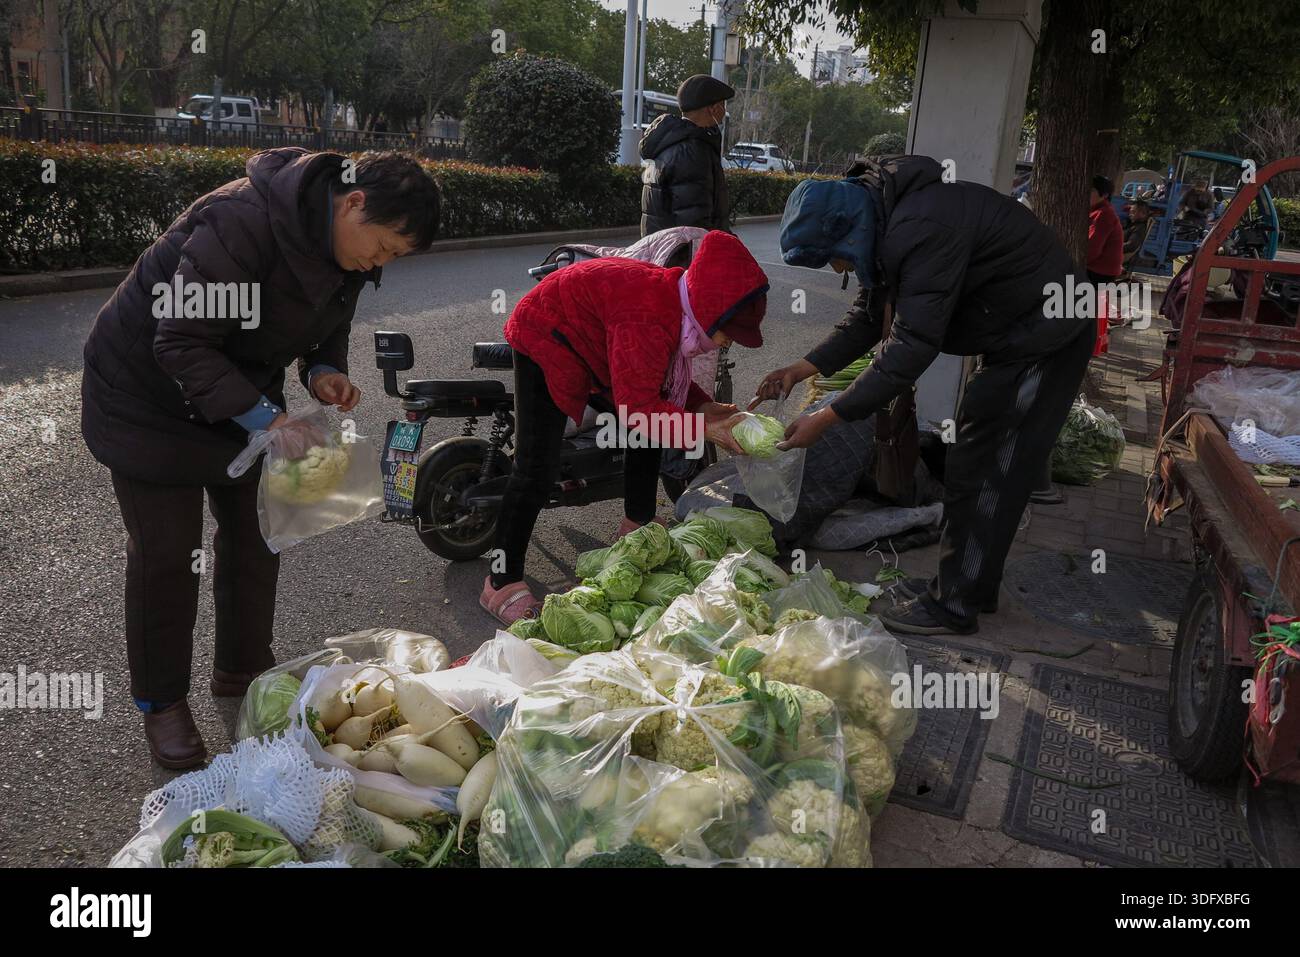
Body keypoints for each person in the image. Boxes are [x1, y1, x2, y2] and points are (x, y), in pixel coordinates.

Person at [81, 148, 441, 767]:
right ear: (353, 202)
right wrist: (265, 419)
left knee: (258, 537)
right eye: (382, 248)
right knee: (167, 558)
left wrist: (325, 370)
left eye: (391, 259)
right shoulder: (241, 222)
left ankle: (243, 671)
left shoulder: (344, 244)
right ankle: (162, 702)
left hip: (238, 390)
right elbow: (181, 339)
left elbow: (326, 321)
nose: (379, 262)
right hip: (145, 397)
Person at [755, 155, 1095, 637]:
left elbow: (912, 345)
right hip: (1018, 336)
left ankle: (954, 605)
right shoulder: (892, 218)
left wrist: (828, 416)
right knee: (974, 463)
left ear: (849, 230)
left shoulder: (920, 228)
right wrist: (803, 366)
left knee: (987, 470)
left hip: (1047, 338)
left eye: (837, 257)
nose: (838, 267)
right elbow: (871, 316)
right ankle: (968, 585)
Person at [480, 231, 768, 625]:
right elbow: (639, 410)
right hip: (547, 334)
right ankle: (501, 580)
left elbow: (658, 381)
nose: (723, 345)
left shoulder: (674, 304)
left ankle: (637, 526)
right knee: (535, 469)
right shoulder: (649, 315)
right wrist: (705, 430)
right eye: (726, 335)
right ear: (708, 313)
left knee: (649, 431)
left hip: (595, 342)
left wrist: (704, 405)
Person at [639, 74, 736, 236]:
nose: (723, 112)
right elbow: (694, 221)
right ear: (713, 108)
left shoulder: (669, 142)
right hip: (685, 254)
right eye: (722, 105)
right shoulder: (692, 151)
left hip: (663, 249)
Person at [1087, 175, 1124, 284]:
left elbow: (1092, 249)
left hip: (1100, 271)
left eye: (1092, 190)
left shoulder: (1103, 214)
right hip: (1100, 268)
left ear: (1104, 195)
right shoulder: (1099, 210)